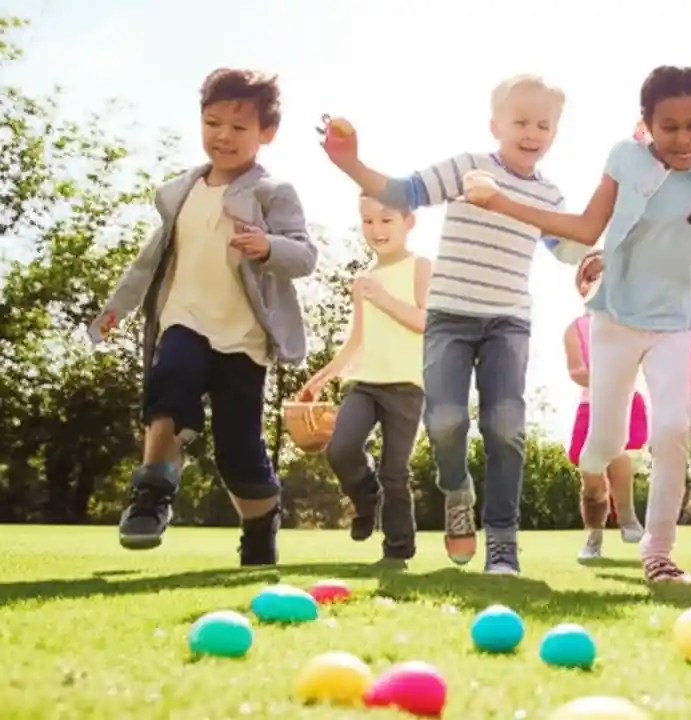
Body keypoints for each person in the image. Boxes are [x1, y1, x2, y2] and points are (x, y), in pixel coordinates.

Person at [464, 65, 691, 583]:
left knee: (672, 431)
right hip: (615, 317)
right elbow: (584, 226)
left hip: (674, 324)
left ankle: (659, 553)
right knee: (604, 440)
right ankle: (595, 473)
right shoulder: (625, 159)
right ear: (645, 124)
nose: (685, 138)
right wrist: (503, 202)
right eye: (670, 126)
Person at [320, 74, 589, 575]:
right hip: (449, 318)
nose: (533, 133)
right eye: (521, 122)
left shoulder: (549, 197)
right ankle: (456, 489)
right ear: (496, 125)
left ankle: (503, 543)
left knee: (505, 428)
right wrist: (349, 163)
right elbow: (404, 191)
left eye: (544, 125)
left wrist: (593, 260)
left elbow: (568, 248)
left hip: (508, 322)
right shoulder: (469, 169)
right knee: (445, 421)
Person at [90, 68, 317, 566]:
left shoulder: (273, 192)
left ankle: (260, 525)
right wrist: (115, 311)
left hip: (243, 339)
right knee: (171, 378)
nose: (223, 136)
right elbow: (150, 261)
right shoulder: (182, 191)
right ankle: (152, 492)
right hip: (184, 319)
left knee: (237, 452)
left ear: (267, 134)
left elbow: (304, 256)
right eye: (213, 122)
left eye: (239, 127)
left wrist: (267, 246)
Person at [300, 195, 431, 569]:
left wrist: (385, 298)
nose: (376, 229)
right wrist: (324, 375)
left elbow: (427, 322)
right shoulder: (364, 279)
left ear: (409, 222)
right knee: (340, 449)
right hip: (365, 383)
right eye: (368, 221)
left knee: (395, 470)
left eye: (386, 220)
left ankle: (397, 550)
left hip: (407, 386)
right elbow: (357, 339)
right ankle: (365, 497)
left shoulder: (421, 266)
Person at [564, 249, 647, 562]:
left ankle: (626, 516)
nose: (602, 281)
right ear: (583, 287)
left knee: (620, 452)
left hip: (625, 401)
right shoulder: (576, 329)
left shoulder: (630, 324)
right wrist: (605, 379)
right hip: (591, 405)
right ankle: (594, 535)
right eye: (593, 276)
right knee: (591, 477)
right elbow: (576, 371)